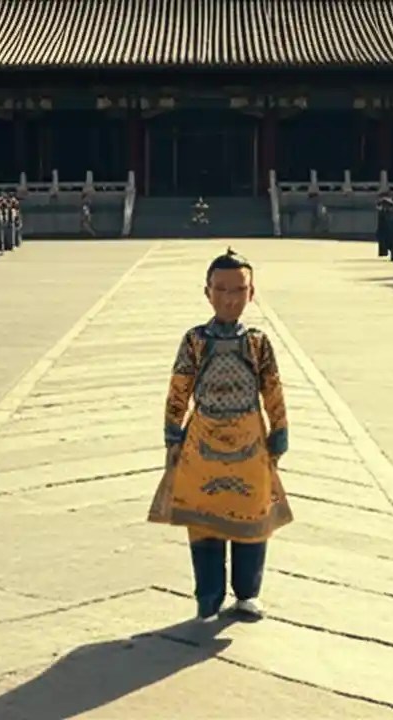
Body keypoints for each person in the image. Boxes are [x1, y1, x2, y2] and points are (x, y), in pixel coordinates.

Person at [149, 248, 292, 622]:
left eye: (239, 290)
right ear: (207, 292)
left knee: (252, 519)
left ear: (251, 293)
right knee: (204, 520)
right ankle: (208, 597)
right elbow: (179, 387)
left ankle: (248, 594)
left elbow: (272, 387)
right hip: (203, 439)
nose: (230, 298)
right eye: (222, 289)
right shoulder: (195, 340)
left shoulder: (258, 341)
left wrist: (280, 429)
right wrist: (172, 432)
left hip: (249, 438)